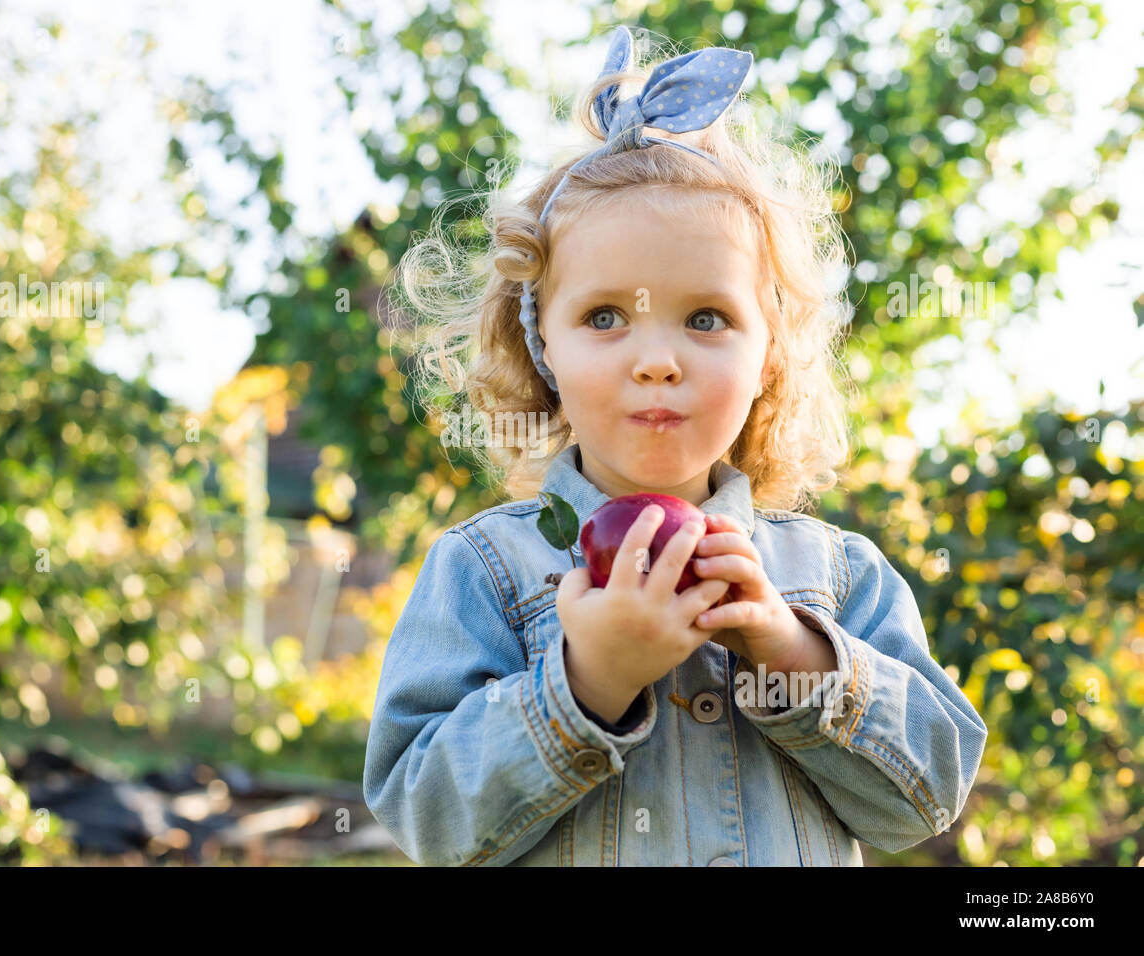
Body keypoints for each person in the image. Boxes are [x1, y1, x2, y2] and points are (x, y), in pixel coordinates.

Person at [363, 25, 987, 866]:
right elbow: (425, 816)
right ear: (542, 344)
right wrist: (587, 684)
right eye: (604, 317)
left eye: (706, 319)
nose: (657, 360)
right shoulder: (485, 571)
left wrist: (788, 647)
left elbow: (929, 795)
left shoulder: (837, 578)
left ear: (768, 352)